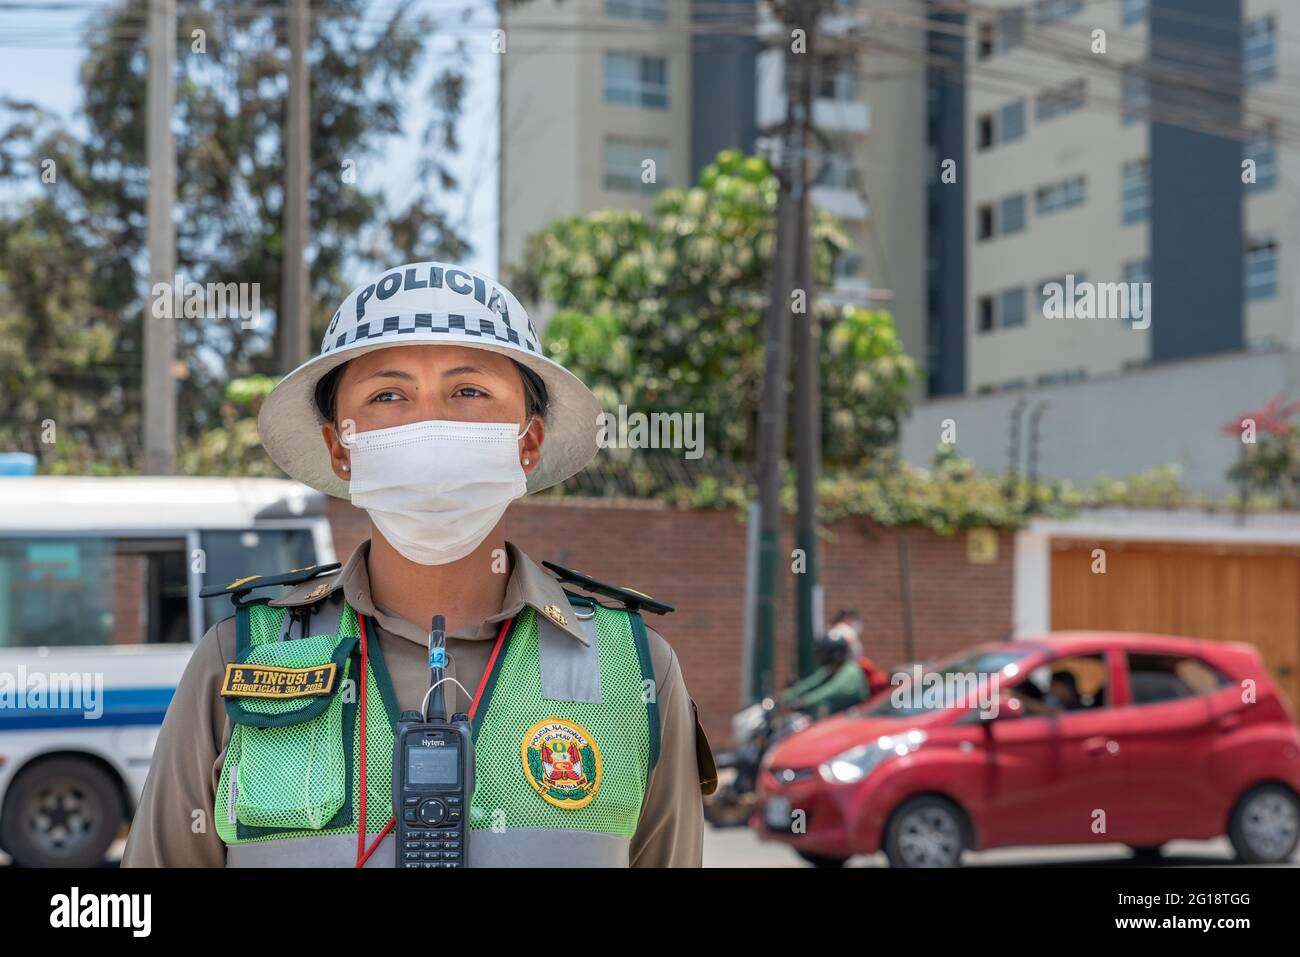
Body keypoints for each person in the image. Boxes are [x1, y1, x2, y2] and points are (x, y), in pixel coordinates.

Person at [122, 260, 716, 868]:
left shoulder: (636, 672)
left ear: (528, 443)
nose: (430, 422)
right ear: (340, 448)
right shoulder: (238, 658)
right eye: (388, 395)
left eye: (468, 391)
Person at [783, 625, 891, 720]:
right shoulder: (832, 669)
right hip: (840, 720)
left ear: (833, 653)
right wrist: (785, 697)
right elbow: (811, 683)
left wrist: (804, 702)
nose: (820, 656)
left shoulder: (850, 671)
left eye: (823, 652)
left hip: (854, 721)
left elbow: (831, 690)